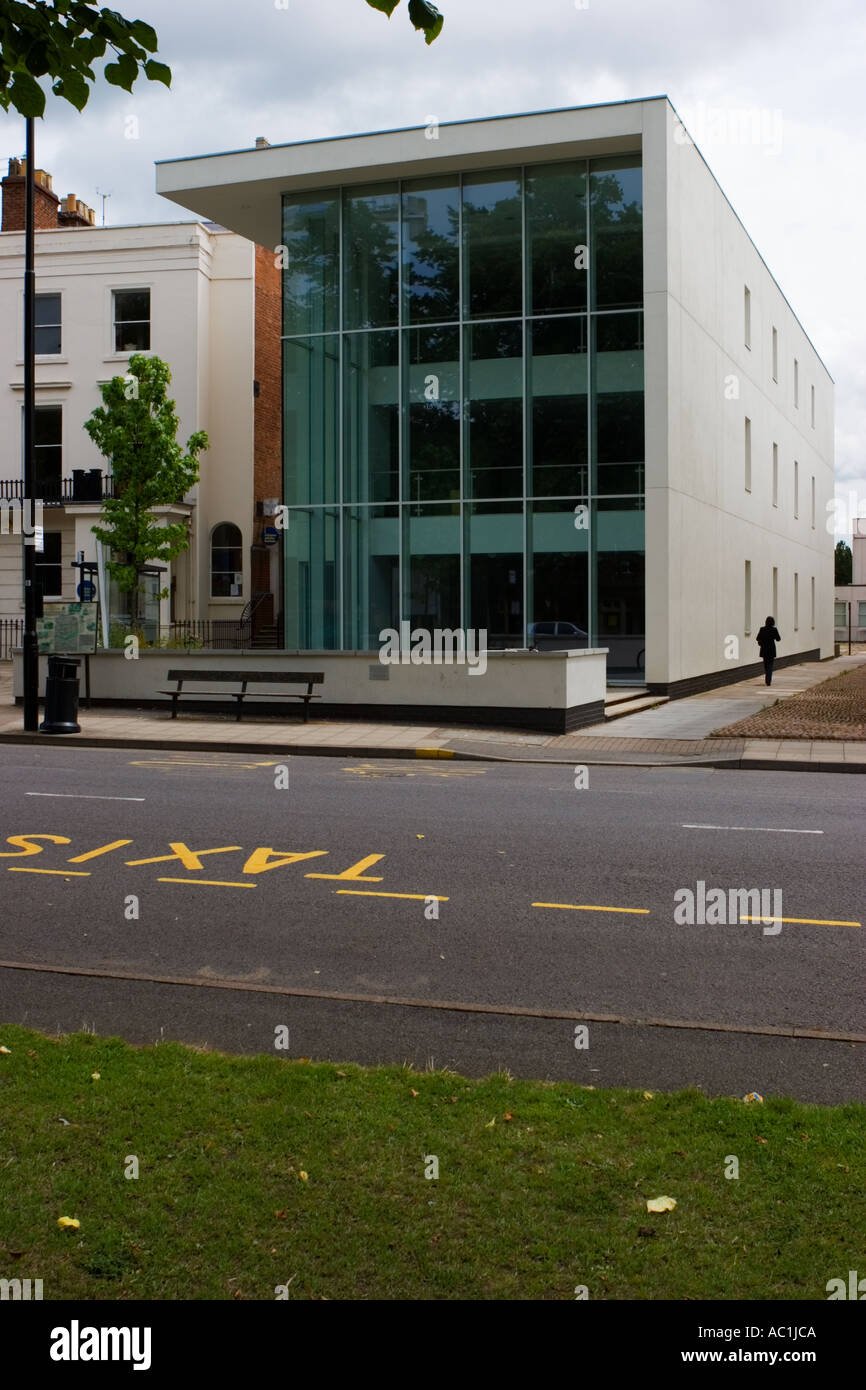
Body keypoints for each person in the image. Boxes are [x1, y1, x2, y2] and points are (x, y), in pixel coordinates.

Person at [756, 615, 782, 686]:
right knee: (770, 665)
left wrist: (762, 641)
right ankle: (768, 680)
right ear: (773, 622)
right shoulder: (774, 629)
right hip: (771, 650)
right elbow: (778, 639)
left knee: (766, 665)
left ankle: (767, 679)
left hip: (764, 649)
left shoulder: (762, 629)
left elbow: (757, 638)